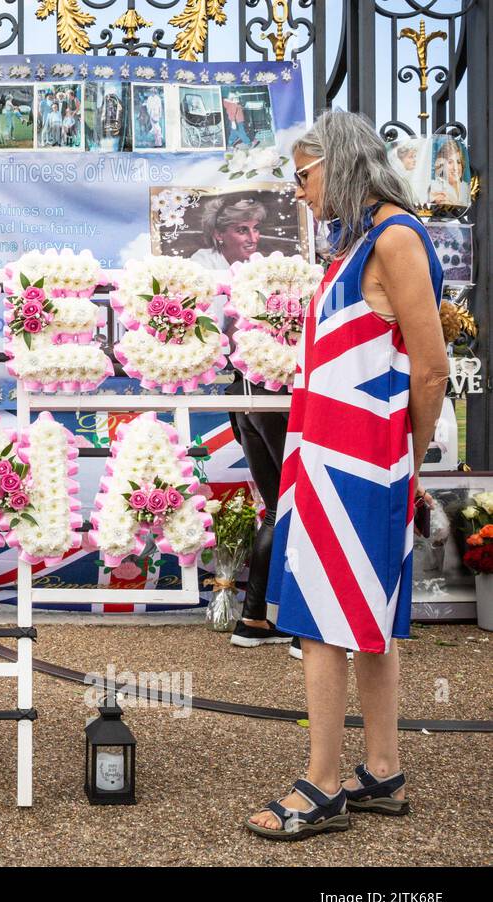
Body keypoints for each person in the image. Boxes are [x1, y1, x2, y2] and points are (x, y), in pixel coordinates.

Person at [245, 110, 447, 841]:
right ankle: (383, 768)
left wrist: (406, 460)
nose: (298, 191)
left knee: (324, 621)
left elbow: (430, 367)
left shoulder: (392, 237)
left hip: (359, 458)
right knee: (362, 620)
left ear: (338, 162)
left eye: (303, 174)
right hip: (339, 454)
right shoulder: (364, 240)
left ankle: (324, 783)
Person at [190, 196, 266, 271]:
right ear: (219, 234)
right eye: (242, 231)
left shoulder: (257, 264)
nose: (253, 239)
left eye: (255, 229)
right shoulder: (202, 262)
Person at [429, 138, 470, 207]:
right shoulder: (435, 187)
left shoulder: (466, 187)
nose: (455, 168)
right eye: (450, 162)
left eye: (458, 162)